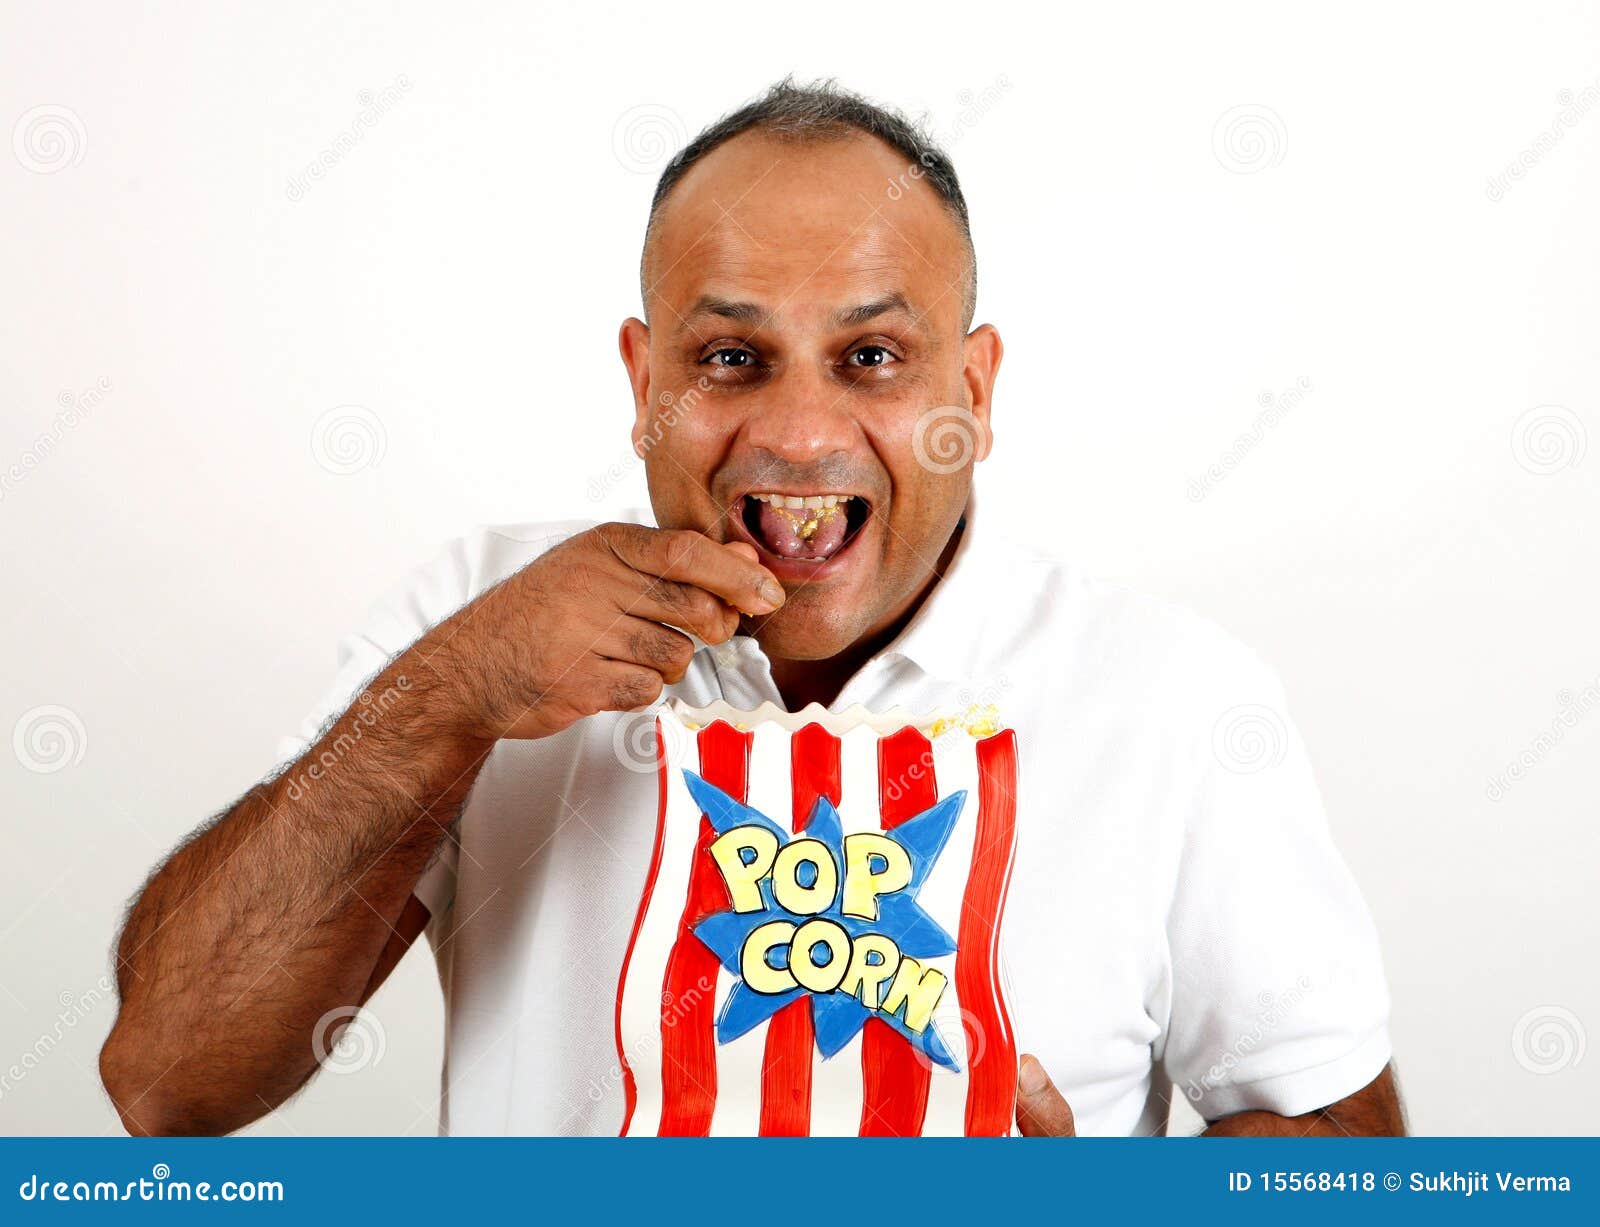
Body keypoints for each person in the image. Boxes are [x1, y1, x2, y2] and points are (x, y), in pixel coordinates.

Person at [99, 79, 1403, 1137]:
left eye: (872, 357)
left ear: (977, 390)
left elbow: (1347, 1167)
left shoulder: (1171, 697)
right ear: (642, 377)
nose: (795, 432)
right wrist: (455, 693)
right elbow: (170, 1083)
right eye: (731, 357)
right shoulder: (472, 615)